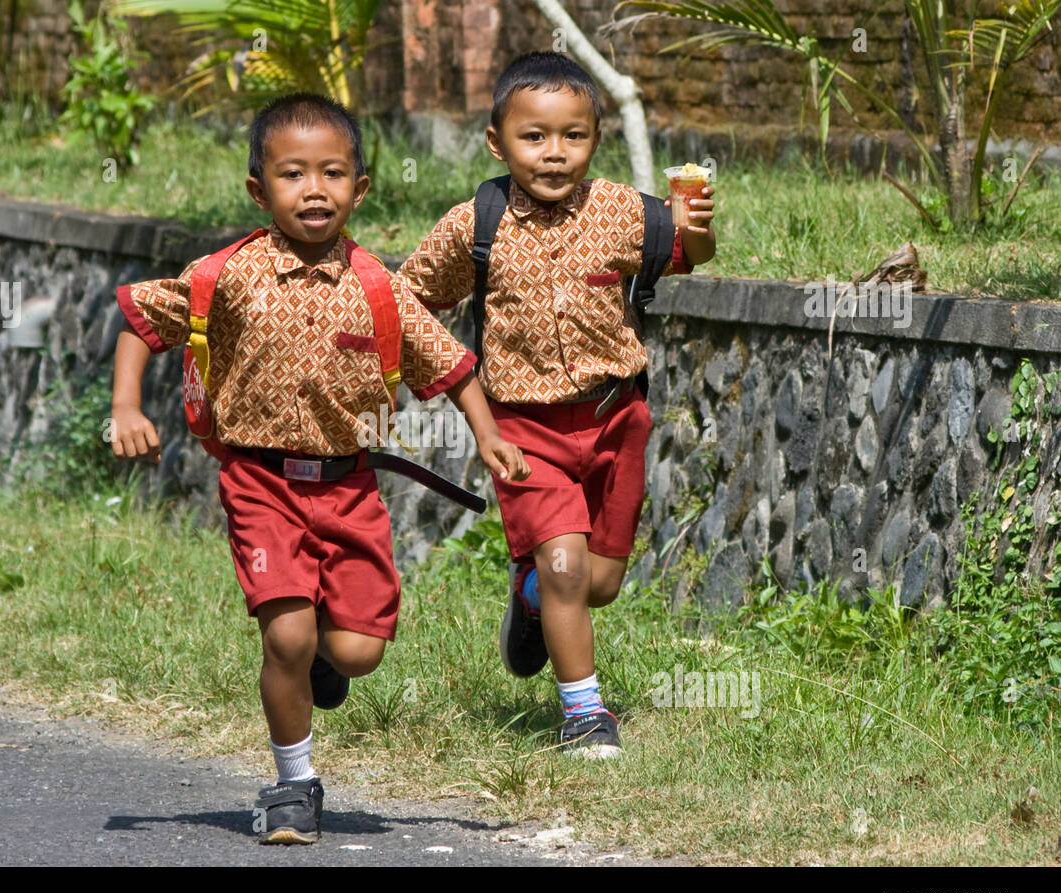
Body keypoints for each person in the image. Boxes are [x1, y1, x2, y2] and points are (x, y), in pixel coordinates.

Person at [109, 93, 529, 843]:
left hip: (348, 487)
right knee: (288, 640)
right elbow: (143, 320)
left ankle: (321, 668)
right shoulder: (226, 276)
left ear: (360, 189)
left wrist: (489, 437)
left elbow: (453, 367)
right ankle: (293, 785)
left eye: (332, 174)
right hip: (260, 481)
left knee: (356, 653)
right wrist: (127, 406)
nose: (313, 190)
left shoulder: (382, 289)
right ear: (258, 189)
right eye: (293, 174)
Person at [398, 52, 716, 757]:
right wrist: (454, 381)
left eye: (573, 136)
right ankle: (584, 714)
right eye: (533, 137)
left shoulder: (625, 212)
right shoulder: (473, 225)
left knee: (596, 582)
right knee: (568, 564)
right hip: (523, 430)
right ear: (496, 141)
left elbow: (689, 256)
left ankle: (532, 594)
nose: (554, 153)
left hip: (616, 421)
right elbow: (408, 298)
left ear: (594, 140)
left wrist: (693, 222)